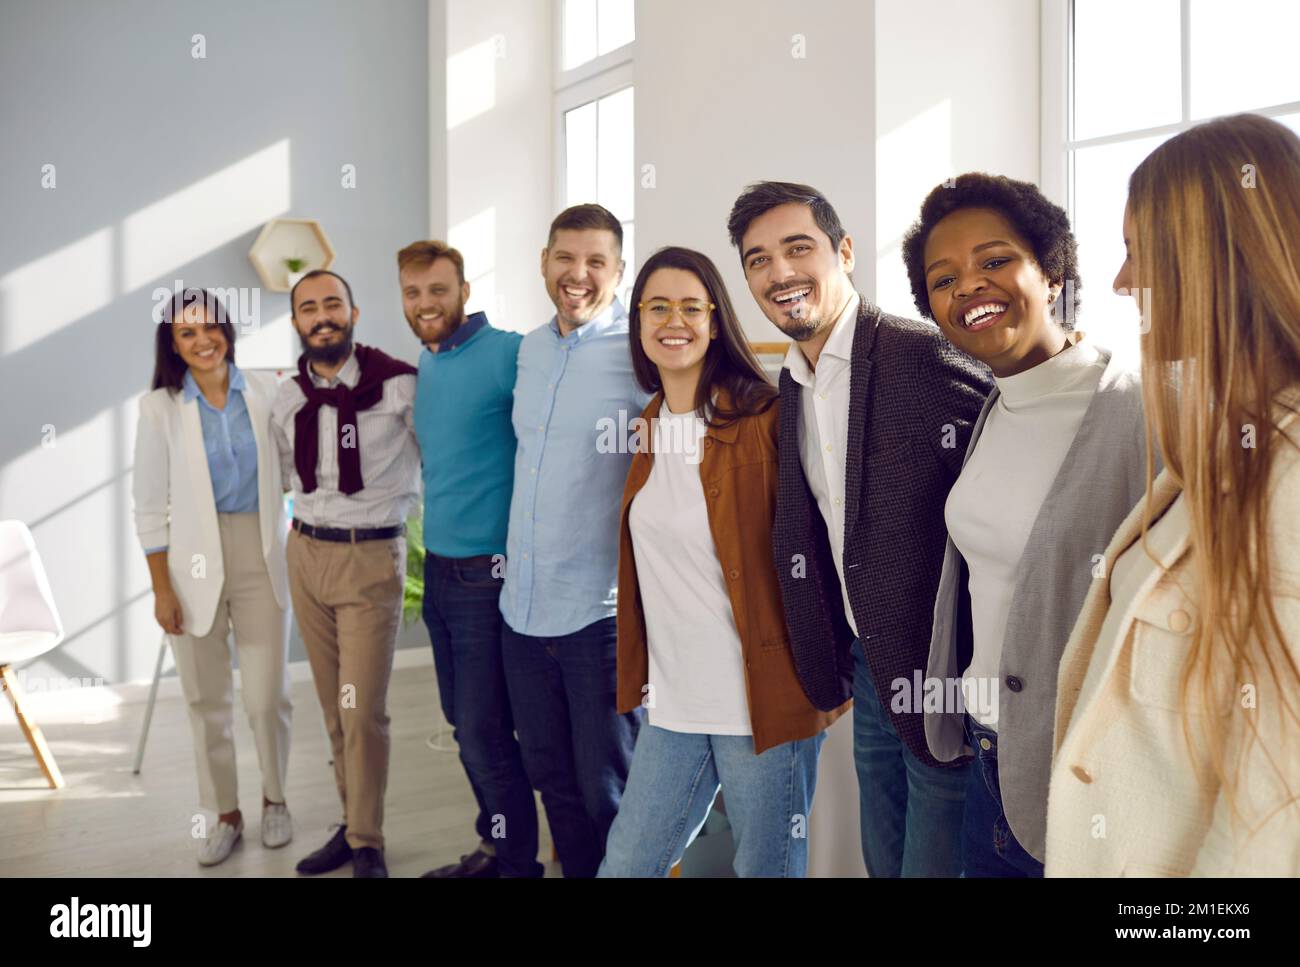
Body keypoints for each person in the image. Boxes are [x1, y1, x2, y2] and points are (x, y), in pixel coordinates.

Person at [1047, 114, 1300, 876]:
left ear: (1218, 262)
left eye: (1138, 249)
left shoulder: (1287, 482)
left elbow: (1269, 821)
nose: (1124, 279)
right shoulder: (1222, 450)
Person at [727, 181, 992, 877]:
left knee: (933, 864)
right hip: (869, 665)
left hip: (945, 674)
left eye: (797, 248)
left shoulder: (923, 356)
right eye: (758, 260)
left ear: (844, 251)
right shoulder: (793, 380)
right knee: (884, 858)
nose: (779, 273)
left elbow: (1001, 500)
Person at [901, 173, 1147, 876]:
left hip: (1082, 778)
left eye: (994, 260)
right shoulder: (992, 406)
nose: (968, 286)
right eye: (943, 278)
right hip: (988, 763)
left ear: (1052, 269)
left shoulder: (1135, 410)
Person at [597, 246, 848, 878]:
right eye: (657, 306)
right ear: (638, 323)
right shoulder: (648, 427)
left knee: (766, 868)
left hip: (761, 702)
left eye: (691, 306)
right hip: (675, 701)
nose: (672, 320)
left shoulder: (764, 418)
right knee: (628, 864)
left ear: (714, 321)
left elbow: (819, 544)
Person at [499, 203, 650, 877]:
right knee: (552, 779)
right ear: (544, 262)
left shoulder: (643, 352)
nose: (577, 274)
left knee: (608, 791)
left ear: (619, 272)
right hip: (522, 611)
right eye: (565, 258)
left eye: (596, 262)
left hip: (601, 616)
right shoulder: (530, 348)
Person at [132, 288, 292, 867]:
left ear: (227, 329)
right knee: (205, 699)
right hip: (189, 562)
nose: (203, 341)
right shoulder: (160, 409)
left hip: (259, 550)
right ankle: (224, 812)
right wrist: (161, 588)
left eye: (210, 328)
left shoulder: (270, 390)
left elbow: (296, 471)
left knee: (266, 694)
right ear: (173, 346)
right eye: (186, 334)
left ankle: (275, 797)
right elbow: (149, 506)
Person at [270, 269, 419, 878]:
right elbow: (280, 477)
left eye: (333, 303)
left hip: (370, 558)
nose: (322, 315)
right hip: (306, 554)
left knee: (361, 710)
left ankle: (367, 841)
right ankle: (351, 824)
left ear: (354, 313)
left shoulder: (401, 385)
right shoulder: (287, 397)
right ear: (296, 323)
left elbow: (446, 460)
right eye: (309, 307)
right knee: (334, 707)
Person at [399, 239, 541, 878]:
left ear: (463, 291)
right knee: (462, 723)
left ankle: (516, 864)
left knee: (485, 732)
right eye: (412, 292)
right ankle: (494, 843)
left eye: (437, 289)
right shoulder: (426, 365)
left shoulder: (509, 353)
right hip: (440, 573)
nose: (425, 303)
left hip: (490, 576)